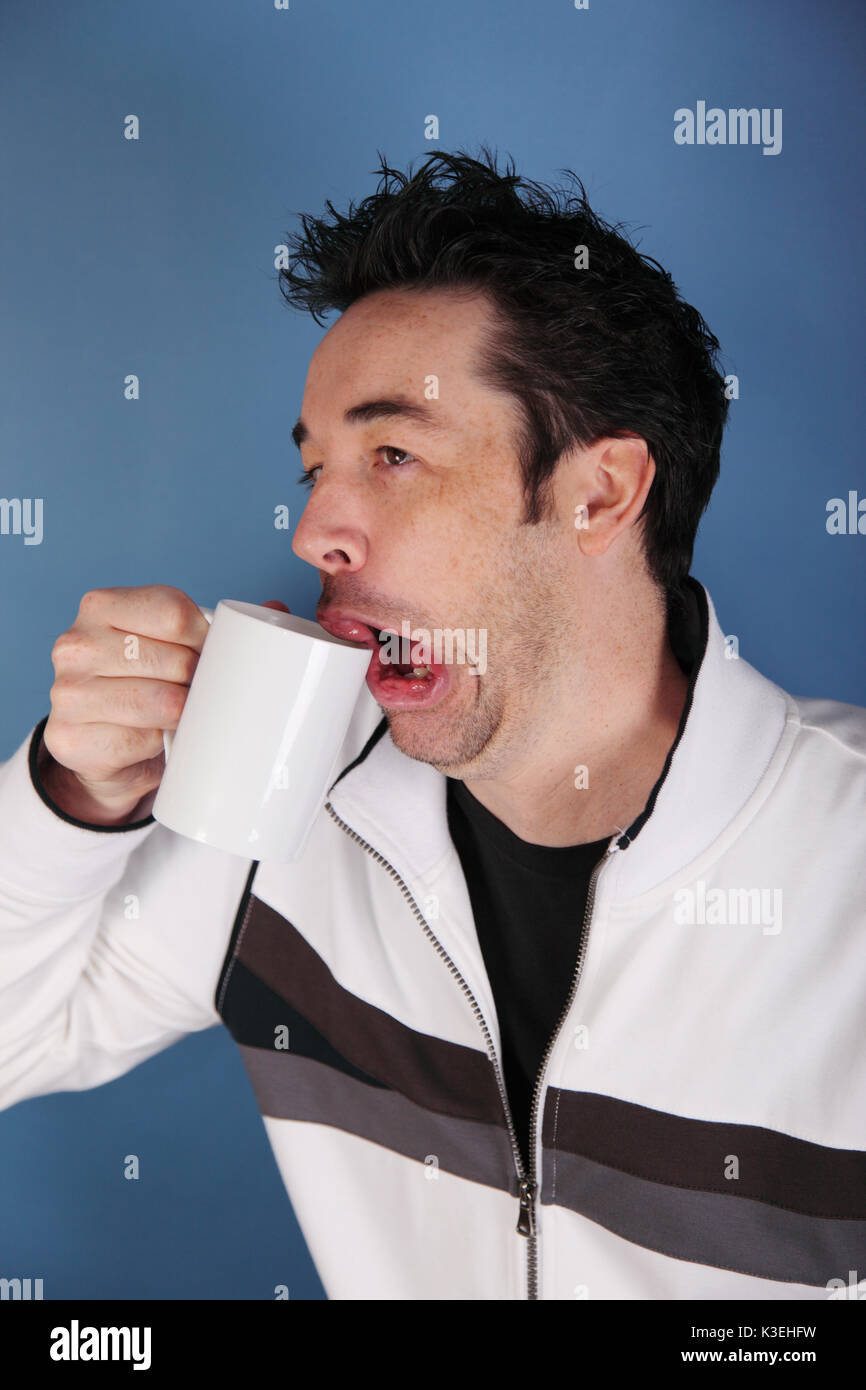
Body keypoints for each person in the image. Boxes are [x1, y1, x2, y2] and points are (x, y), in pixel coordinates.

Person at [1, 149, 863, 1301]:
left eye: (392, 455)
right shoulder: (281, 812)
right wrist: (72, 798)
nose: (315, 535)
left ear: (596, 493)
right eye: (315, 472)